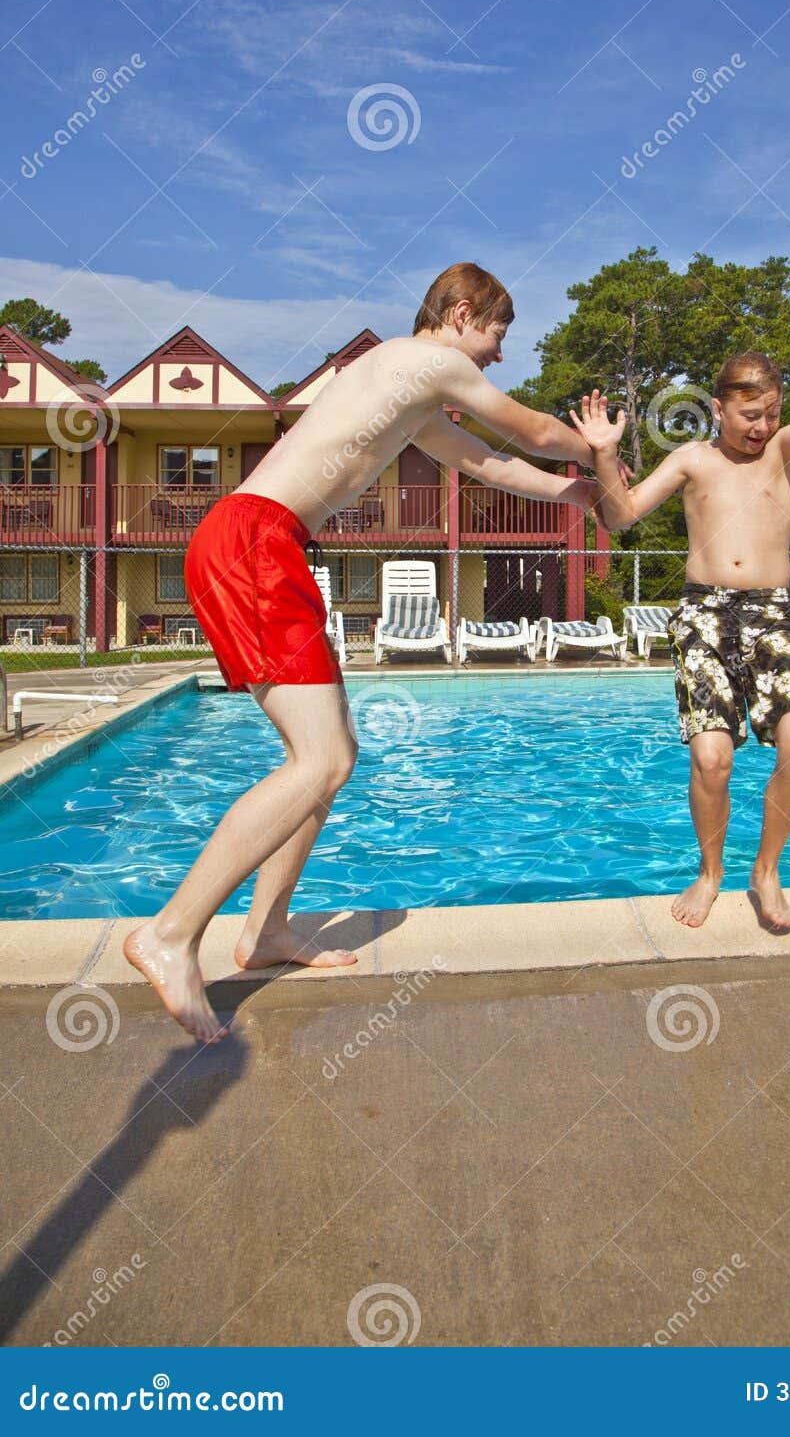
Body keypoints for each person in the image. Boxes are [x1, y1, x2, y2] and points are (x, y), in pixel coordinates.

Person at [125, 262, 602, 1042]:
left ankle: (267, 930)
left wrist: (569, 492)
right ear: (460, 313)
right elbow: (536, 433)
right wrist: (597, 448)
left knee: (327, 758)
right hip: (253, 543)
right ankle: (169, 934)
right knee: (321, 761)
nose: (498, 353)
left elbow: (481, 460)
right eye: (496, 333)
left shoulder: (408, 388)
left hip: (266, 543)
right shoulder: (428, 360)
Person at [570, 351, 790, 933]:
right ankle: (711, 872)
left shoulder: (784, 450)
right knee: (711, 758)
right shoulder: (692, 459)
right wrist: (603, 455)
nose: (761, 427)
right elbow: (620, 516)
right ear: (718, 409)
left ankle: (766, 871)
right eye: (749, 415)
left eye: (771, 413)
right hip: (705, 613)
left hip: (772, 613)